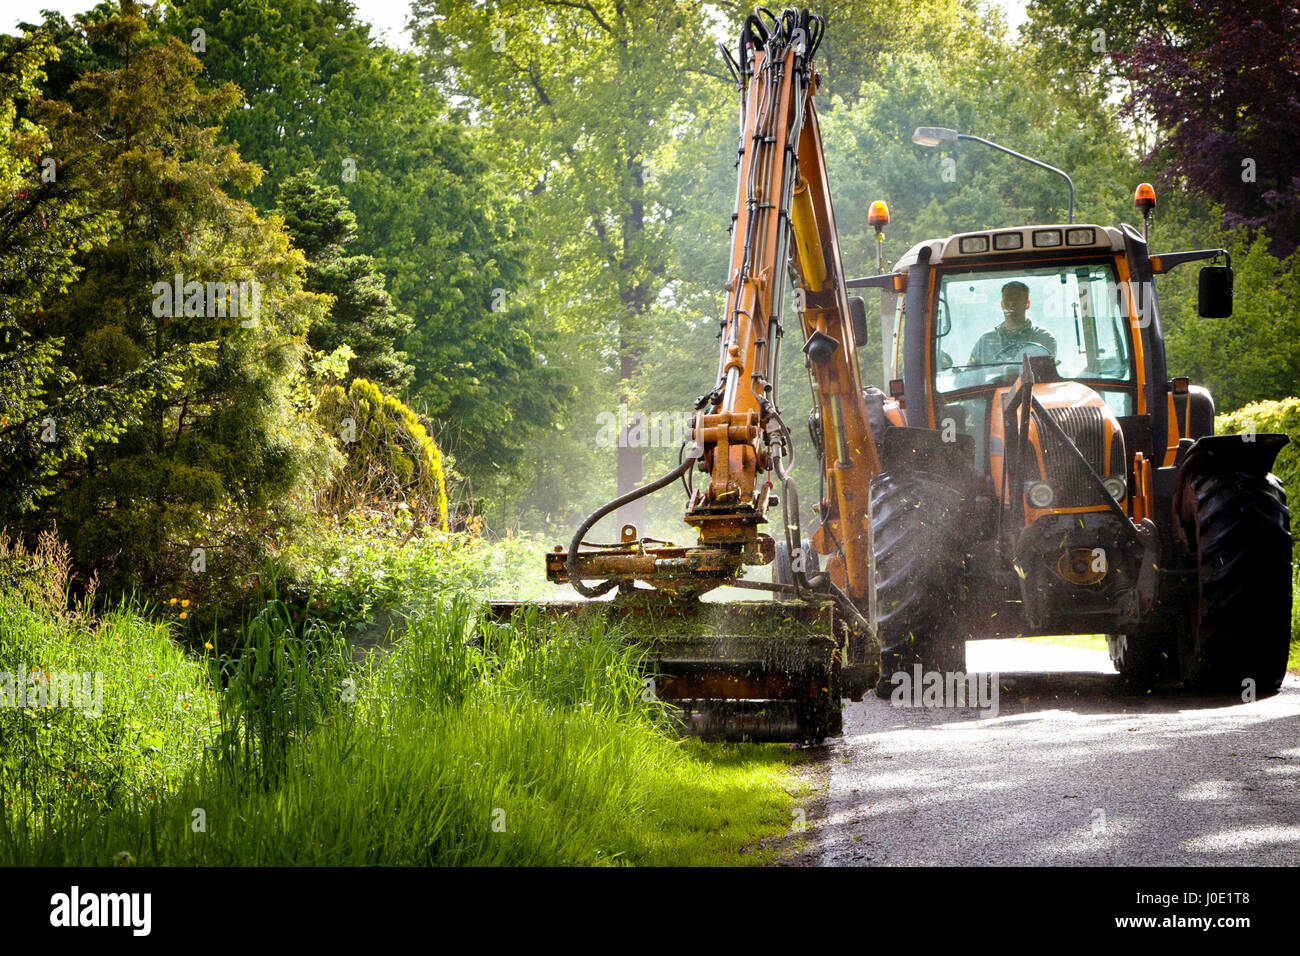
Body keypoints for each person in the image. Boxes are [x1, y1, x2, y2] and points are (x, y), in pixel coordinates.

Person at [968, 280, 1057, 365]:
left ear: (1027, 304)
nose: (1011, 304)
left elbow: (1048, 374)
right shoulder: (985, 342)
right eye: (1008, 300)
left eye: (1016, 300)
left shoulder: (1044, 338)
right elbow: (969, 376)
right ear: (1002, 304)